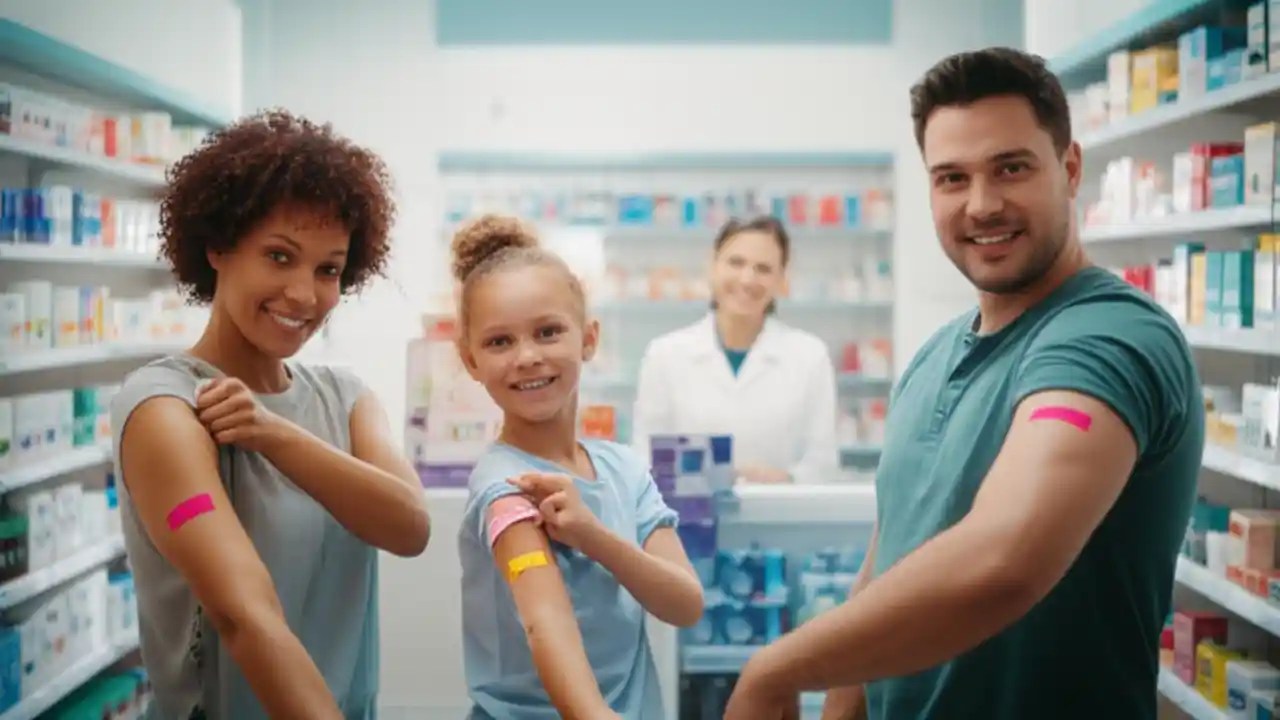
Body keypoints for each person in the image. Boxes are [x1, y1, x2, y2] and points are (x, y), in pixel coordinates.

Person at [723, 47, 1203, 720]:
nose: (982, 205)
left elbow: (1006, 554)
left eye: (1011, 168)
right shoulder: (933, 358)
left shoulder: (1109, 337)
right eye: (951, 178)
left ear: (1069, 170)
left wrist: (777, 668)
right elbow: (885, 566)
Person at [110, 109, 431, 720]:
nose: (305, 295)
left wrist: (273, 434)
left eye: (328, 269)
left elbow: (409, 527)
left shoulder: (346, 397)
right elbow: (242, 616)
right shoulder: (166, 407)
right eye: (279, 257)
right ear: (219, 247)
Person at [451, 214, 705, 719]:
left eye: (547, 332)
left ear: (588, 339)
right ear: (470, 359)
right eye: (499, 342)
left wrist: (593, 536)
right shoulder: (505, 487)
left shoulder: (623, 469)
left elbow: (684, 603)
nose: (527, 357)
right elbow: (543, 618)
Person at [632, 215, 839, 484]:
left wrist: (785, 479)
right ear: (712, 265)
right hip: (686, 521)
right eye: (736, 262)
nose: (747, 279)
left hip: (780, 518)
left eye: (763, 269)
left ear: (781, 279)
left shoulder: (810, 356)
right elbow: (644, 460)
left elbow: (823, 464)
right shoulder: (664, 355)